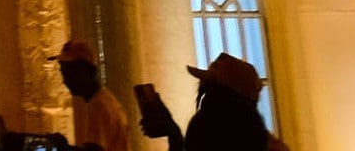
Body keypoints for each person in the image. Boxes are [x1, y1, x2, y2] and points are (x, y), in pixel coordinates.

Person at [136, 52, 288, 151]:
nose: (204, 99)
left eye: (209, 89)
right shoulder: (266, 142)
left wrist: (173, 133)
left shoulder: (207, 126)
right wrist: (172, 132)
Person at [51, 39, 130, 151]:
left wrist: (64, 148)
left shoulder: (99, 106)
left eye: (68, 73)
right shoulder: (105, 99)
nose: (65, 81)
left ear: (85, 70)